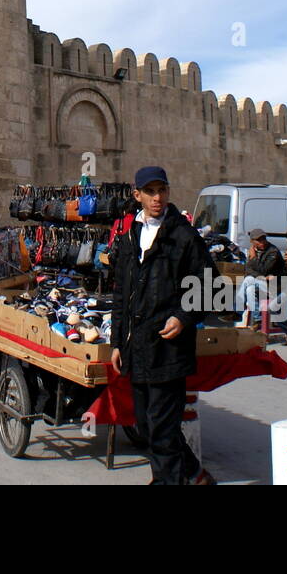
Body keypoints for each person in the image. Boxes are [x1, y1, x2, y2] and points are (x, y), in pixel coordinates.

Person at [109, 166, 216, 485]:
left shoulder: (182, 235)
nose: (157, 198)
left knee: (162, 428)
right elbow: (121, 292)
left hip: (168, 350)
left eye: (162, 191)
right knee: (146, 425)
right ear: (137, 194)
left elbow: (210, 283)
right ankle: (194, 474)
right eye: (150, 191)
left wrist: (184, 316)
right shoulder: (131, 234)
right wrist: (117, 342)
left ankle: (169, 479)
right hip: (137, 347)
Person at [235, 228, 283, 330]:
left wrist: (253, 258)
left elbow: (264, 270)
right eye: (259, 240)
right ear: (252, 241)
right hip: (261, 283)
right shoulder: (254, 251)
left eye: (264, 239)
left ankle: (238, 311)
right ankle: (257, 319)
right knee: (250, 288)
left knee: (248, 280)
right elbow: (247, 269)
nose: (262, 242)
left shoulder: (273, 251)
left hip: (275, 286)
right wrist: (259, 276)